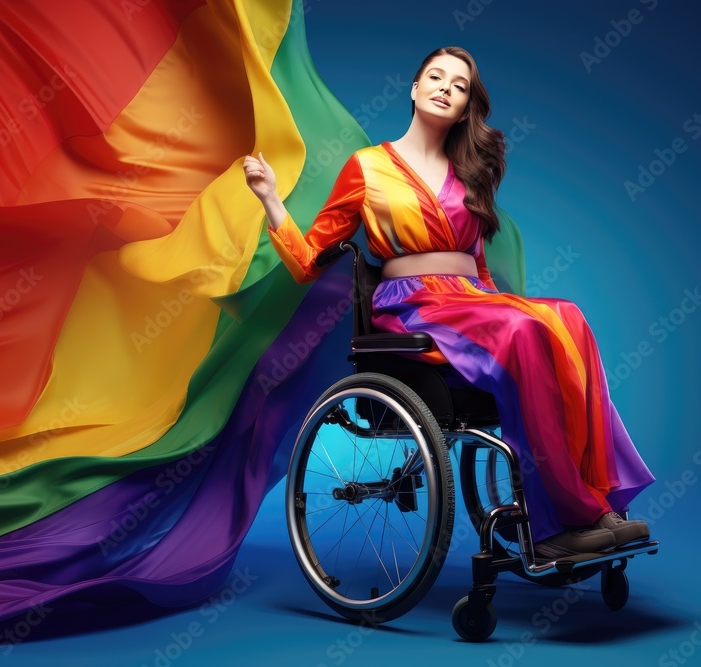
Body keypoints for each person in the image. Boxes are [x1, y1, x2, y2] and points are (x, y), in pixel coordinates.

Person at [244, 46, 655, 559]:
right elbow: (309, 261)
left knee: (566, 315)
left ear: (464, 108)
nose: (445, 87)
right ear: (414, 89)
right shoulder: (367, 168)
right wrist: (270, 199)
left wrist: (499, 303)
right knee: (524, 330)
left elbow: (477, 264)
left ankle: (598, 503)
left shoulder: (470, 173)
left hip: (470, 300)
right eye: (435, 77)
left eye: (459, 85)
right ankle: (561, 523)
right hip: (413, 306)